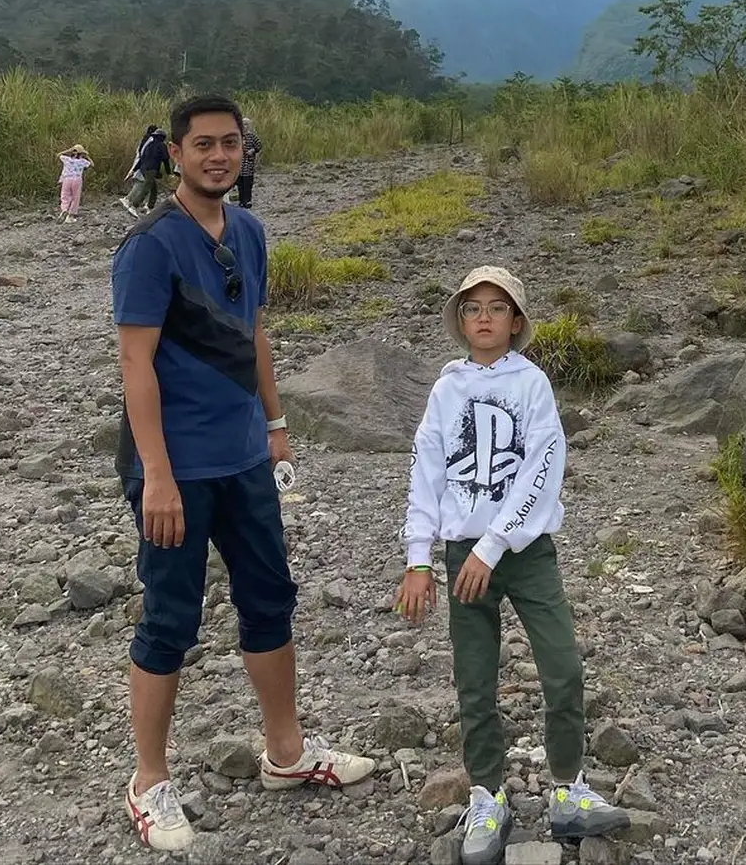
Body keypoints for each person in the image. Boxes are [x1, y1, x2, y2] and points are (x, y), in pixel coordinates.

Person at [112, 94, 374, 853]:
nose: (219, 156)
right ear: (177, 155)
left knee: (270, 599)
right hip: (177, 468)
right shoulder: (150, 246)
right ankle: (148, 781)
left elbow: (254, 330)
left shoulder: (250, 230)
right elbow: (135, 363)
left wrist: (277, 426)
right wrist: (157, 474)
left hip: (244, 457)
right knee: (170, 618)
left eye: (231, 144)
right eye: (204, 146)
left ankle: (286, 755)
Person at [396, 266, 629, 865]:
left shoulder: (533, 386)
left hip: (525, 553)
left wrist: (493, 545)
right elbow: (427, 472)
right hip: (459, 551)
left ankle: (569, 789)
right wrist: (418, 558)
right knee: (475, 679)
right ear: (460, 320)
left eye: (497, 308)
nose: (483, 317)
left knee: (563, 667)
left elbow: (542, 469)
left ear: (516, 321)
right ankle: (487, 794)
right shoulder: (445, 391)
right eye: (472, 307)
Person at [121, 126, 173, 217]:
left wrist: (134, 169)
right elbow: (166, 160)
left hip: (144, 169)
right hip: (152, 170)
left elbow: (141, 159)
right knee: (146, 188)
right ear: (162, 137)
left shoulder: (149, 145)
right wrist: (169, 173)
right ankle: (133, 206)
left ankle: (150, 207)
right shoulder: (161, 146)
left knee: (154, 189)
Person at [56, 144, 94, 222]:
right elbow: (92, 164)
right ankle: (71, 215)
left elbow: (58, 155)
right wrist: (87, 156)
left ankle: (64, 210)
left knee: (65, 196)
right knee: (75, 197)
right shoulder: (82, 161)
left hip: (67, 179)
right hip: (77, 179)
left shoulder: (67, 159)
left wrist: (69, 150)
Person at [236, 113, 262, 210]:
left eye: (246, 124)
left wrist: (253, 150)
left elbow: (259, 145)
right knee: (240, 183)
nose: (245, 126)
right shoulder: (238, 136)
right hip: (239, 164)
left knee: (247, 183)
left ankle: (248, 201)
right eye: (243, 124)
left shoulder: (252, 136)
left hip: (248, 163)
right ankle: (241, 201)